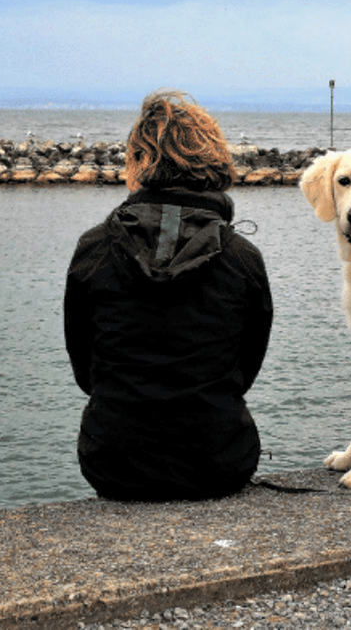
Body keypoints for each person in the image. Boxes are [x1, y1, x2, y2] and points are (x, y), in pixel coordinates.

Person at [63, 89, 273, 501]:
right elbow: (245, 368)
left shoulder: (94, 248)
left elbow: (85, 371)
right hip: (219, 463)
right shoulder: (242, 258)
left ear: (140, 161)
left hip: (111, 464)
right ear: (211, 160)